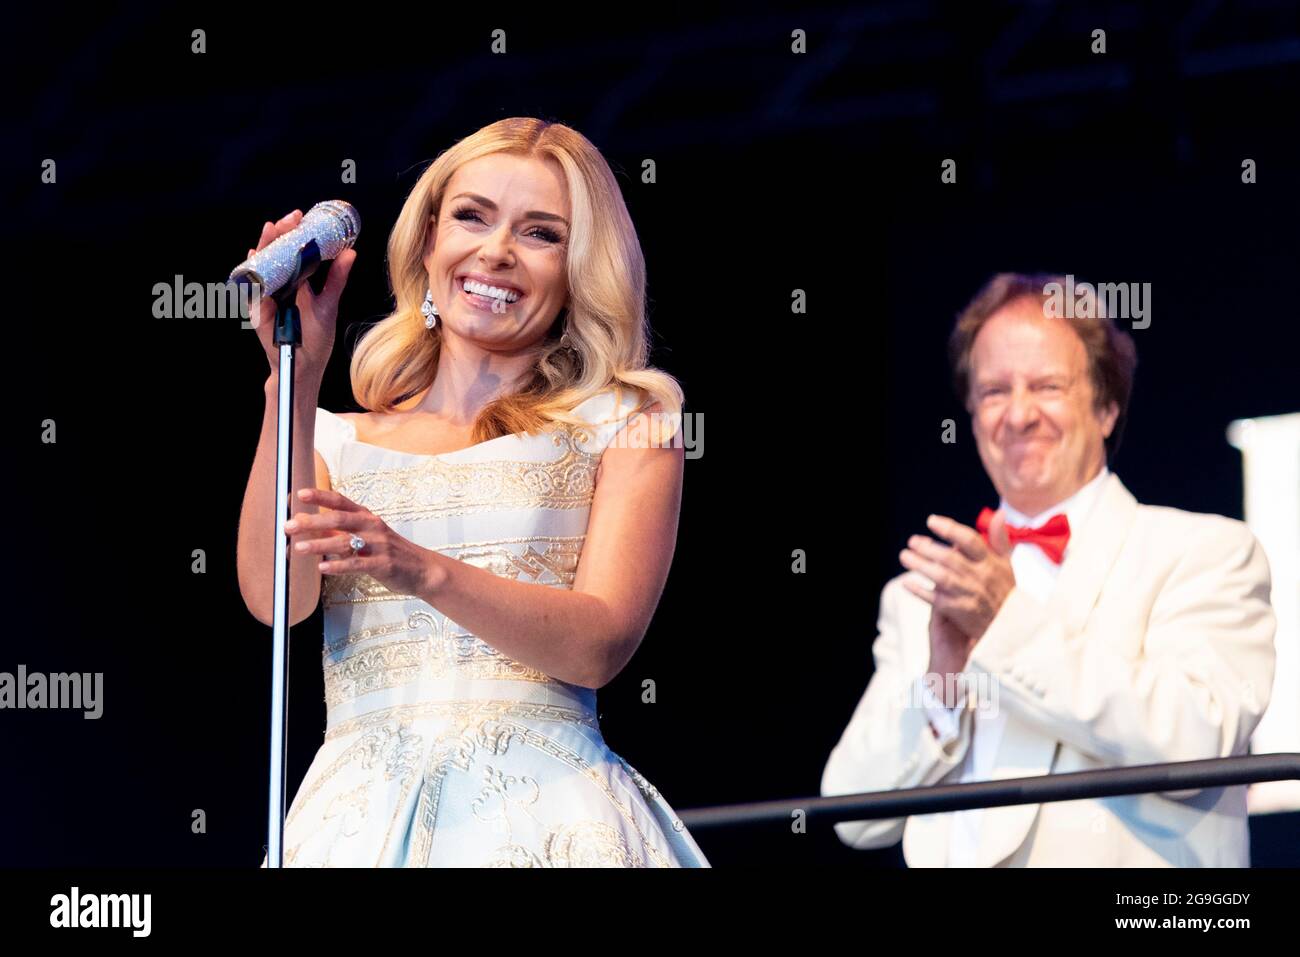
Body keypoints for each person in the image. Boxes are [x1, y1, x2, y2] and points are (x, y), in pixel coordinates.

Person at [236, 117, 709, 867]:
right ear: (427, 241)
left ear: (579, 268)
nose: (496, 251)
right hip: (355, 827)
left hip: (546, 818)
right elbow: (274, 597)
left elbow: (598, 643)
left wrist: (415, 565)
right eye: (472, 216)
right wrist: (292, 376)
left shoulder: (630, 422)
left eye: (541, 233)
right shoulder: (329, 437)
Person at [821, 273, 1277, 867]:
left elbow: (1195, 745)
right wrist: (940, 690)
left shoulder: (1206, 551)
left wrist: (1006, 624)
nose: (1018, 414)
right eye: (992, 391)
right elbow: (850, 814)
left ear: (1108, 407)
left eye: (1047, 385)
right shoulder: (922, 591)